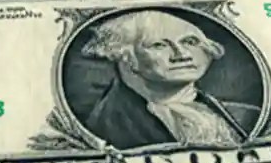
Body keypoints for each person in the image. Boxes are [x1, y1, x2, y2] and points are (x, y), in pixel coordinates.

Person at [80, 10, 260, 149]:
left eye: (190, 42)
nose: (182, 55)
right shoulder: (101, 126)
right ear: (125, 57)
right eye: (159, 45)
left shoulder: (247, 115)